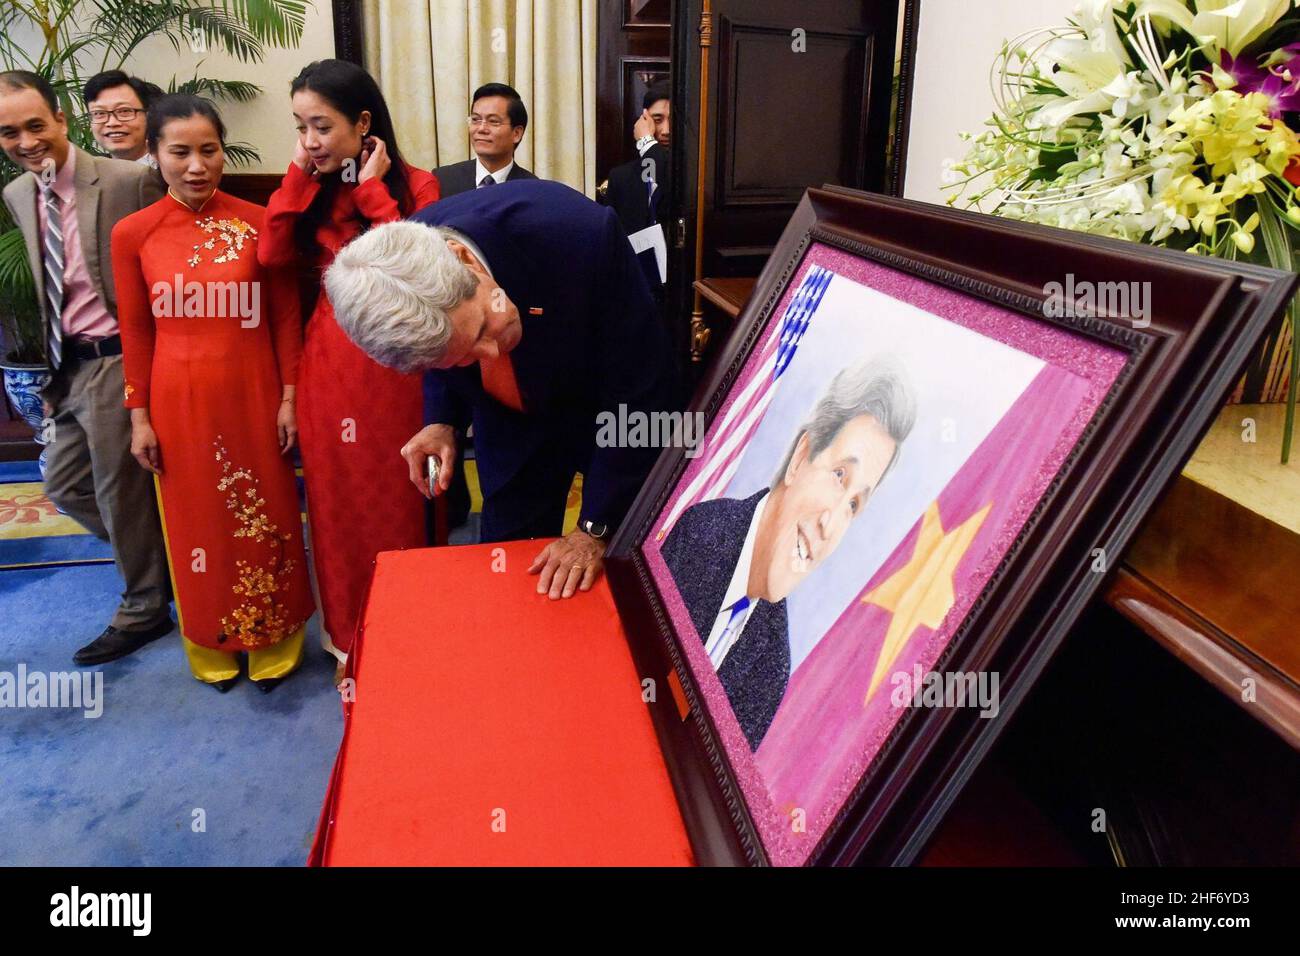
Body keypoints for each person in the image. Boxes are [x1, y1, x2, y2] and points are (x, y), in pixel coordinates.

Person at [323, 179, 680, 599]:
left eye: (481, 328)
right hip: (507, 421)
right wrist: (442, 421)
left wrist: (594, 528)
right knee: (511, 570)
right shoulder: (405, 260)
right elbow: (442, 349)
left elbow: (641, 390)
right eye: (466, 355)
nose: (490, 351)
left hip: (606, 414)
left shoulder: (580, 236)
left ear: (463, 261)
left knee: (619, 575)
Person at [113, 94, 314, 692]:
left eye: (209, 150)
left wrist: (289, 398)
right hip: (178, 402)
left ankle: (276, 634)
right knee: (195, 520)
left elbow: (284, 317)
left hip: (253, 395)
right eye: (180, 152)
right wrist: (138, 417)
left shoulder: (258, 223)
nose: (197, 165)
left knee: (270, 512)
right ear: (154, 155)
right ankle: (210, 638)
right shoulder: (133, 234)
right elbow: (136, 329)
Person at [258, 59, 440, 671]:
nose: (309, 141)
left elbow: (413, 271)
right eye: (300, 127)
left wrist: (371, 193)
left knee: (401, 496)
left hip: (398, 366)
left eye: (321, 127)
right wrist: (298, 177)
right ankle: (349, 637)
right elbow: (271, 253)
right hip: (329, 367)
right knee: (336, 509)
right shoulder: (308, 188)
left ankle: (411, 625)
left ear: (363, 124)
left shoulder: (419, 185)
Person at [0, 70, 172, 665]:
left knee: (116, 489)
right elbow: (53, 288)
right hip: (64, 366)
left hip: (117, 357)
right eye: (8, 133)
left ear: (61, 120)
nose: (25, 142)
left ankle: (144, 606)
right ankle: (162, 564)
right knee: (64, 484)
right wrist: (49, 374)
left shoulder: (129, 180)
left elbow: (171, 262)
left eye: (34, 126)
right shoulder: (18, 194)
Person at [660, 360, 916, 750]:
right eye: (840, 476)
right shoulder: (703, 532)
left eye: (853, 504)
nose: (831, 524)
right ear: (800, 458)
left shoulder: (772, 666)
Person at [432, 83, 537, 194]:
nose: (481, 129)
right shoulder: (443, 179)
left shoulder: (532, 189)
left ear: (516, 133)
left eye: (493, 121)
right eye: (475, 119)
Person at [602, 83, 670, 238]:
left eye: (672, 119)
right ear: (644, 121)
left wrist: (647, 142)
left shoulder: (693, 173)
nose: (666, 130)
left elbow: (664, 178)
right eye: (657, 120)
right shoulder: (621, 177)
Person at [83, 70, 163, 166]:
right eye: (99, 113)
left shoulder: (173, 174)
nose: (112, 123)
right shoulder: (86, 175)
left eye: (124, 111)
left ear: (148, 116)